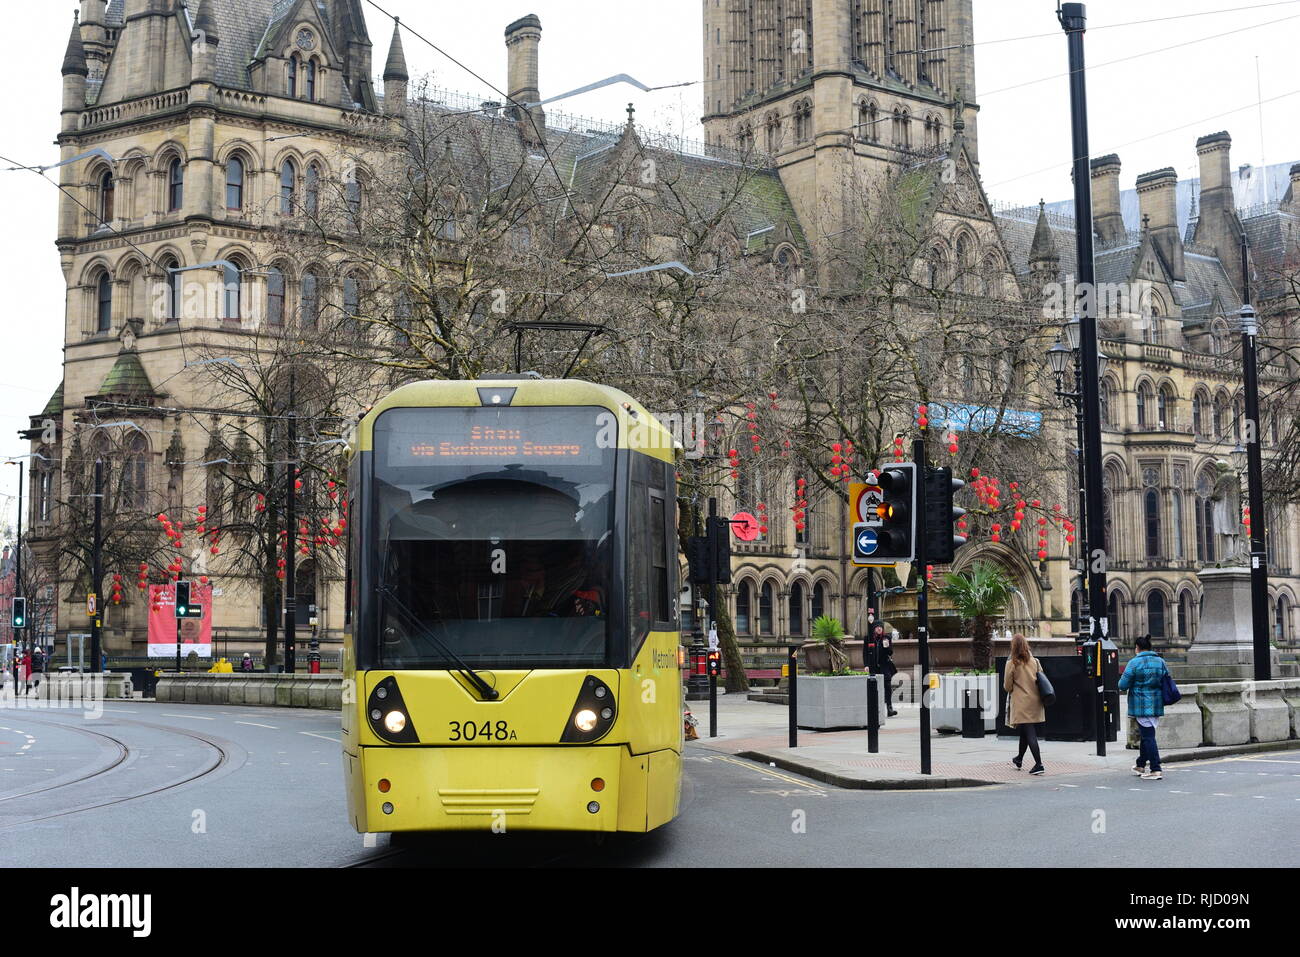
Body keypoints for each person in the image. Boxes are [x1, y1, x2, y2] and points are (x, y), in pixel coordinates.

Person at [1119, 634, 1169, 781]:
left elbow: (1122, 685)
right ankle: (1140, 765)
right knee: (1146, 735)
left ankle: (1156, 768)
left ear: (1137, 648)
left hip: (1141, 704)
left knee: (1148, 737)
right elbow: (1166, 679)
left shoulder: (1134, 663)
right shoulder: (1160, 661)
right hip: (1156, 703)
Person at [1003, 633, 1046, 775]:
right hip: (1035, 701)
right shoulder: (1035, 662)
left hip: (1022, 703)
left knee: (1030, 733)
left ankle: (1039, 764)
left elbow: (1007, 686)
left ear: (1013, 647)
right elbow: (1041, 679)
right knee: (1025, 731)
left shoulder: (1012, 663)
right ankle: (1019, 758)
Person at [871, 623, 899, 717]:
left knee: (887, 686)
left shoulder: (886, 638)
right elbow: (865, 653)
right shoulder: (870, 638)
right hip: (874, 666)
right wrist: (867, 665)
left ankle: (889, 708)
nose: (879, 629)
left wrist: (887, 647)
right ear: (874, 629)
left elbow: (891, 652)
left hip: (885, 666)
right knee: (875, 687)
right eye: (877, 627)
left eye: (880, 628)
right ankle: (876, 709)